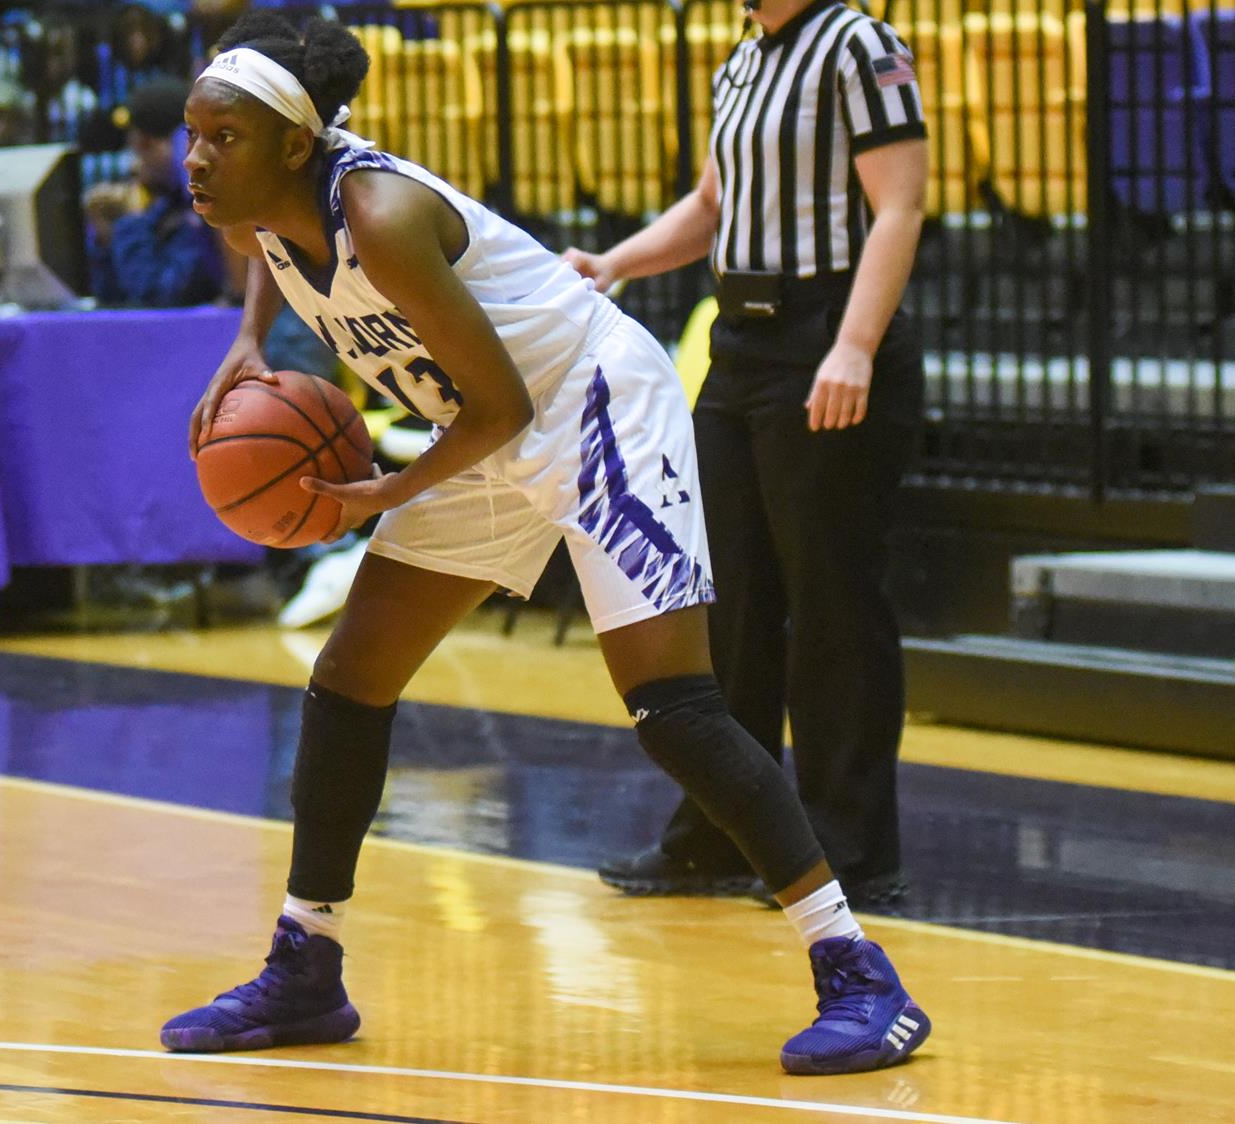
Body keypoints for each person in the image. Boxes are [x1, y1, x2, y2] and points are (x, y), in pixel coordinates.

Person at [162, 12, 931, 1075]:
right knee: (348, 676)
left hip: (584, 402)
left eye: (223, 138)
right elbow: (268, 250)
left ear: (296, 143)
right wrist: (248, 339)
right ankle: (306, 963)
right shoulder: (252, 201)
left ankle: (857, 970)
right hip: (482, 424)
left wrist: (379, 491)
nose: (196, 158)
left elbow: (501, 408)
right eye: (190, 133)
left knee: (672, 707)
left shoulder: (379, 213)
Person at [565, 0, 929, 906]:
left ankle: (851, 849)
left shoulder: (859, 44)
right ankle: (724, 836)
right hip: (741, 346)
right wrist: (615, 261)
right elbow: (711, 205)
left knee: (833, 604)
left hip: (827, 334)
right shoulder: (743, 59)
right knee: (723, 604)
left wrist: (855, 346)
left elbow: (900, 205)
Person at [85, 75, 223, 307]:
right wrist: (106, 238)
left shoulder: (200, 210)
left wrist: (130, 223)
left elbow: (161, 294)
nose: (136, 160)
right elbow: (110, 299)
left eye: (146, 145)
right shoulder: (162, 204)